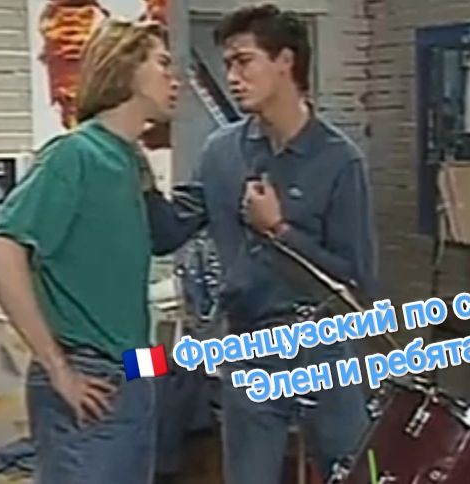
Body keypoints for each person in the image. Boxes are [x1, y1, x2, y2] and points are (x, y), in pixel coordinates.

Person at [142, 4, 377, 483]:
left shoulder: (339, 160)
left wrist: (279, 230)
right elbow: (166, 233)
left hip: (323, 345)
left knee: (350, 473)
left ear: (285, 61)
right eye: (227, 64)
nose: (232, 76)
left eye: (244, 61)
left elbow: (357, 280)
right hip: (247, 346)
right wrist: (135, 169)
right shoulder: (221, 152)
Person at [0, 19, 178, 484]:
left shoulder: (128, 161)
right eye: (163, 64)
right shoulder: (76, 155)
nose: (176, 79)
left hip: (130, 374)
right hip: (89, 376)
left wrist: (158, 372)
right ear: (127, 69)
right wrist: (59, 370)